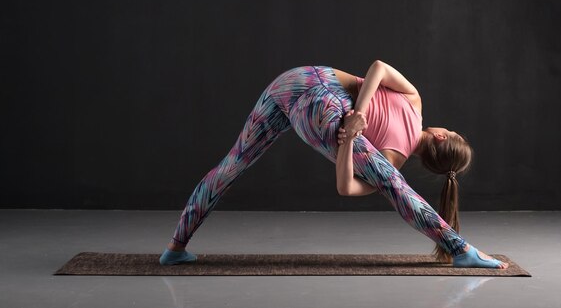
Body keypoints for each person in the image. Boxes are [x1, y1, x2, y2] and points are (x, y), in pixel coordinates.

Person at [159, 60, 508, 269]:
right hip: (322, 97)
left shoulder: (411, 109)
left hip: (291, 84)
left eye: (448, 130)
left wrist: (351, 137)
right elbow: (379, 69)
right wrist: (356, 117)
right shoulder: (391, 159)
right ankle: (459, 247)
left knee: (231, 165)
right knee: (392, 183)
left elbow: (377, 68)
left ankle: (176, 247)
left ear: (442, 137)